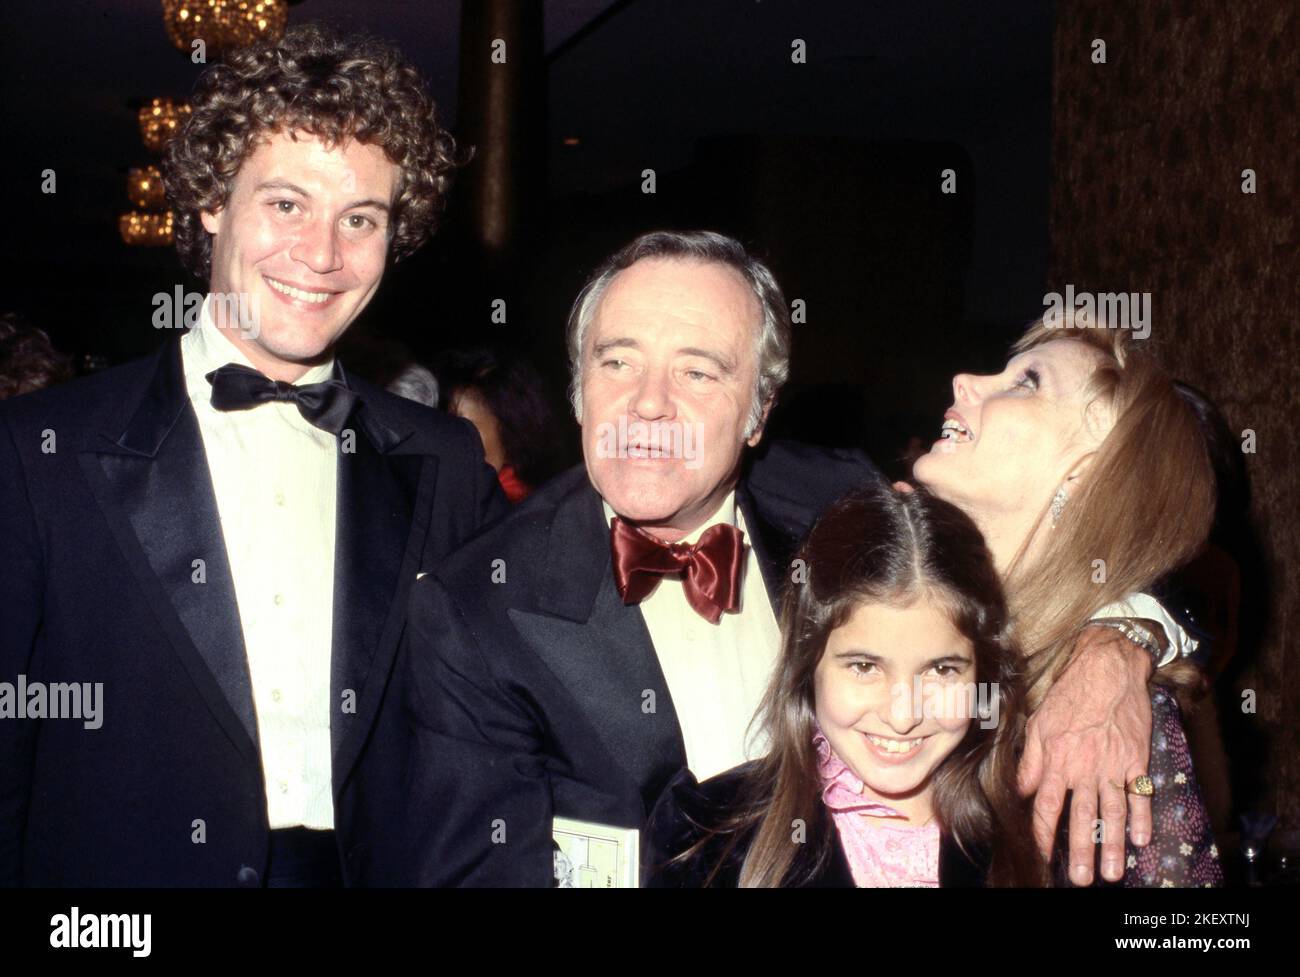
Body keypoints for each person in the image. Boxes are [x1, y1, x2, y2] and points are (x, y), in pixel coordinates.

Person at [0, 24, 506, 887]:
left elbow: (492, 731)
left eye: (361, 219)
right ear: (209, 203)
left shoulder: (444, 460)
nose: (322, 254)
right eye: (285, 204)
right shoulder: (40, 451)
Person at [392, 230, 885, 886]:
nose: (648, 403)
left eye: (697, 371)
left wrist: (1078, 649)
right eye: (618, 362)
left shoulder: (843, 508)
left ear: (758, 413)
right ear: (578, 390)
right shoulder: (473, 613)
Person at [911, 313, 1222, 886]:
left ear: (1085, 477)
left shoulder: (1109, 725)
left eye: (1027, 381)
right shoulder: (912, 622)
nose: (963, 380)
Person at [646, 482, 1046, 887]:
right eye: (864, 666)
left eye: (941, 670)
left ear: (983, 673)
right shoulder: (706, 840)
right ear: (808, 665)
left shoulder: (1048, 829)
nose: (902, 716)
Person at [435, 346, 567, 502]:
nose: (448, 439)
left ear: (511, 436)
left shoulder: (515, 510)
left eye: (463, 429)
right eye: (446, 424)